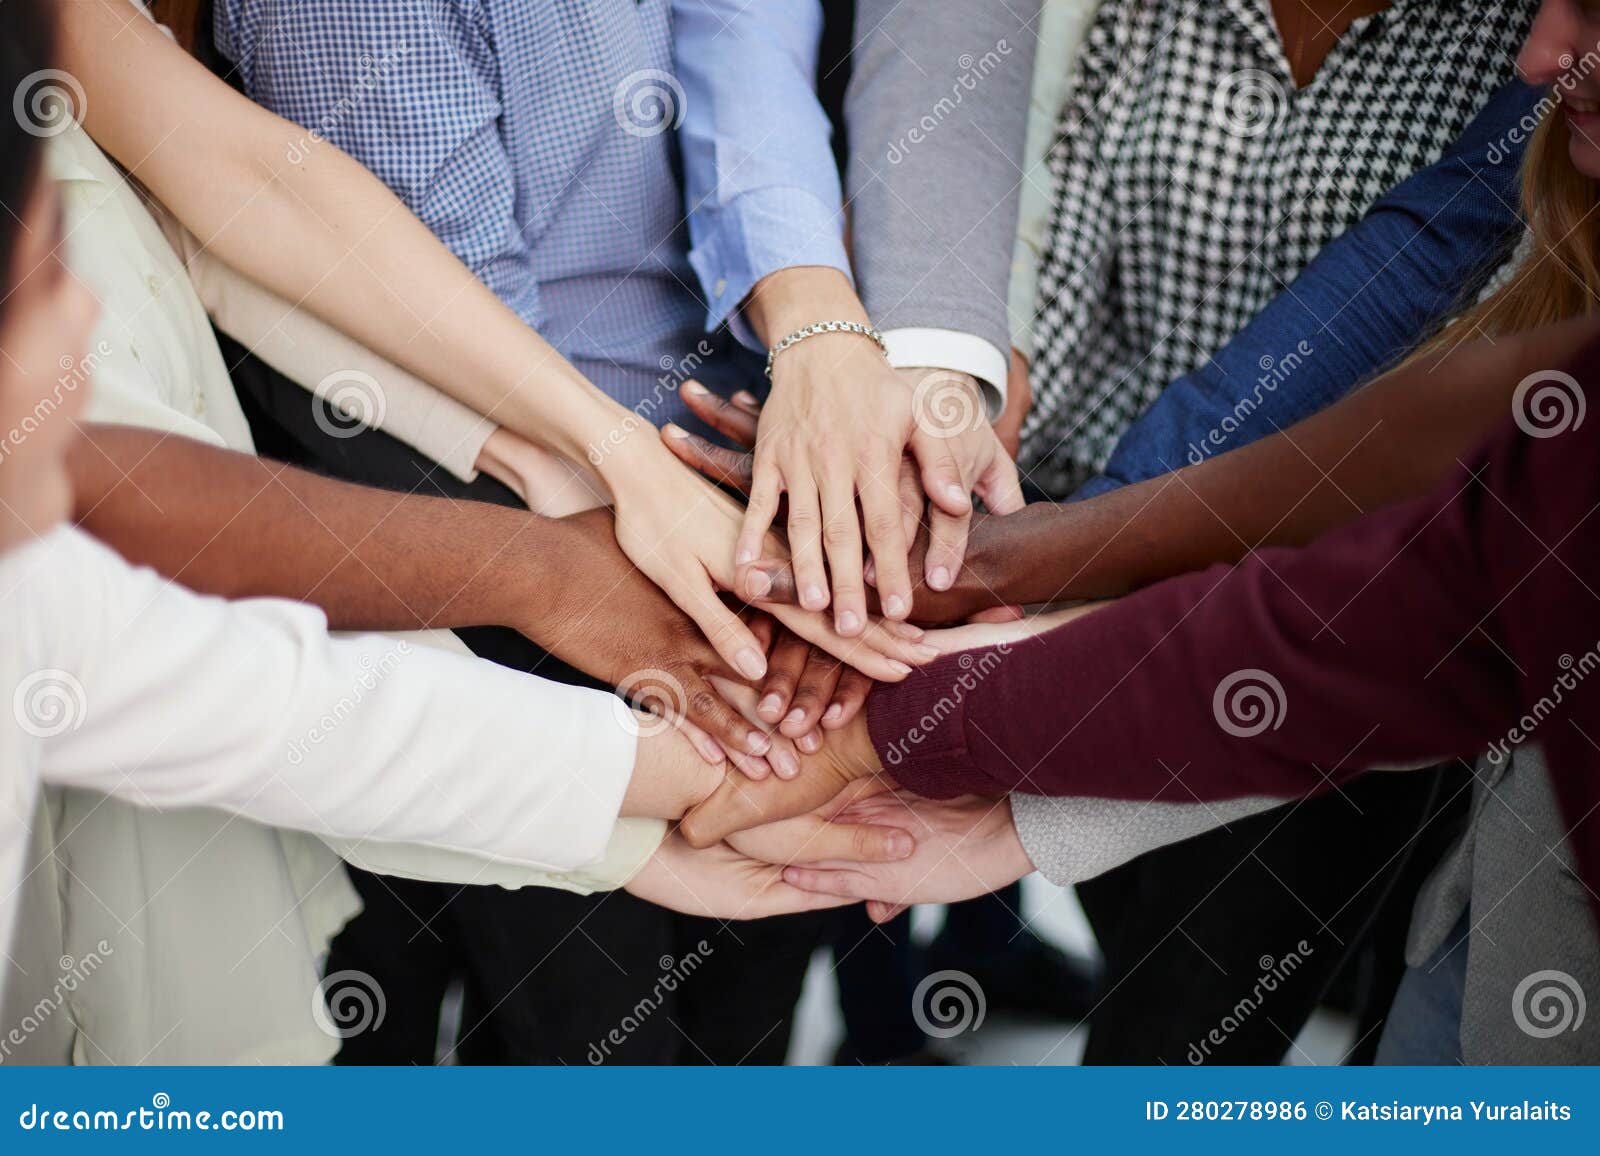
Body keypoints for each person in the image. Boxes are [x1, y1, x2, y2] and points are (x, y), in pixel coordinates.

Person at [189, 0, 980, 1062]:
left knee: (748, 1012)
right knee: (590, 1033)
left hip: (747, 486)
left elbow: (742, 49)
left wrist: (812, 401)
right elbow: (446, 324)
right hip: (506, 530)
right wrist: (680, 537)